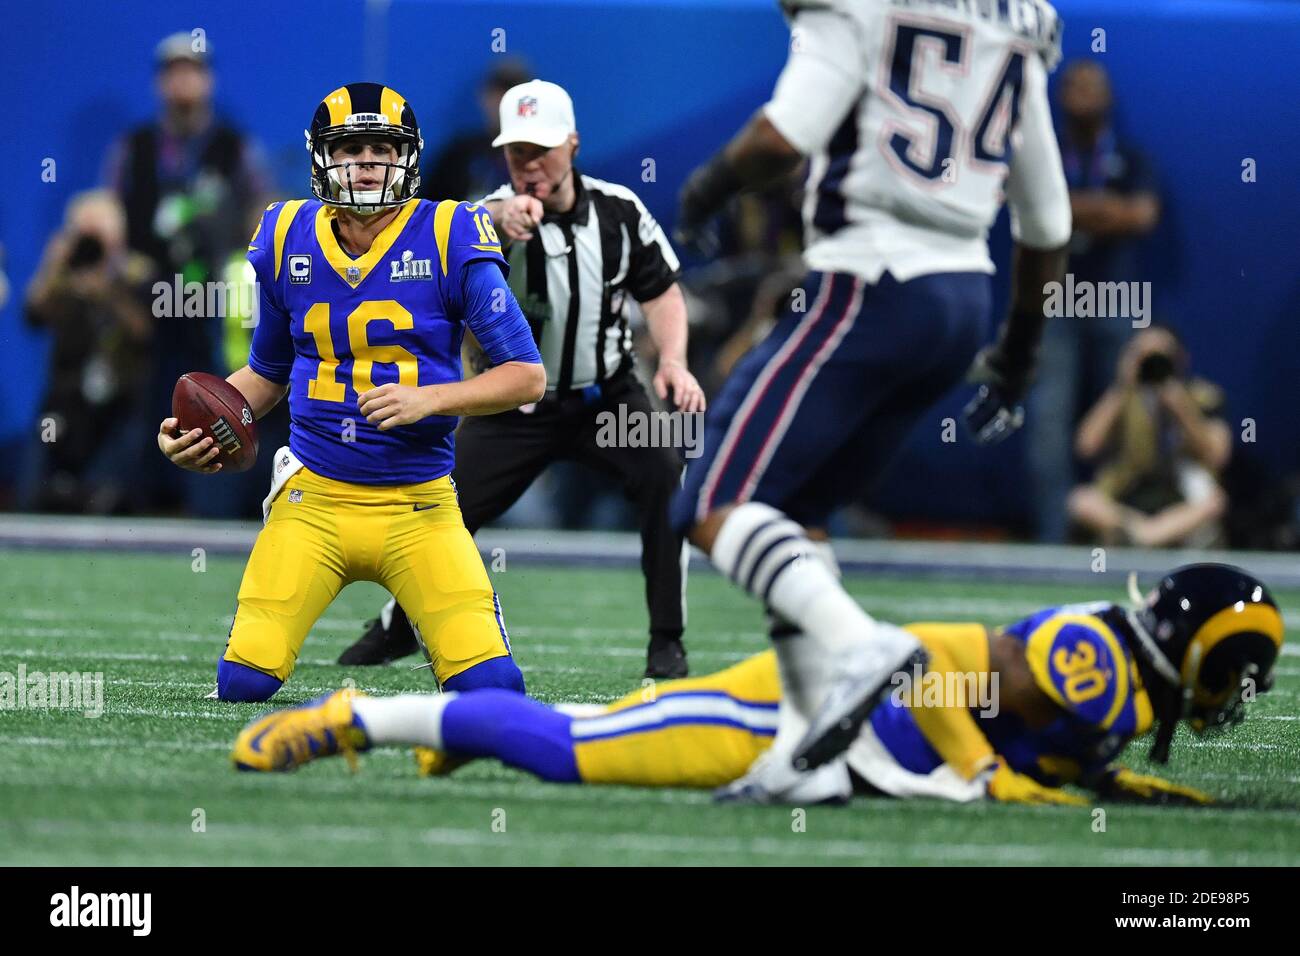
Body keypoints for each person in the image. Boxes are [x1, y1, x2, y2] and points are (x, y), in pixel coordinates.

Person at [667, 0, 1073, 796]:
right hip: (962, 304)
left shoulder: (862, 10)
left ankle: (864, 646)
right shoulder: (1011, 27)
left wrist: (705, 190)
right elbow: (1046, 221)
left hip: (871, 281)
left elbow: (783, 134)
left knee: (713, 501)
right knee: (797, 514)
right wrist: (1018, 354)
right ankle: (808, 752)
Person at [233, 563, 1282, 812]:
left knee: (582, 732)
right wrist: (975, 767)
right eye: (1234, 666)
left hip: (842, 749)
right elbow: (917, 656)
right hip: (802, 717)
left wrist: (1131, 792)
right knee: (572, 749)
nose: (1235, 689)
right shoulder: (1093, 660)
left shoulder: (1126, 687)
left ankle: (470, 729)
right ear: (1185, 641)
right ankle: (353, 717)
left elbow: (1054, 755)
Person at [156, 82, 545, 702]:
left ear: (407, 157)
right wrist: (197, 426)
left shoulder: (451, 233)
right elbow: (266, 374)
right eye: (350, 148)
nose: (366, 161)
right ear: (322, 159)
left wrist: (432, 399)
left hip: (420, 507)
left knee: (492, 688)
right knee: (243, 683)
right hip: (315, 501)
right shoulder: (287, 234)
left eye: (381, 148)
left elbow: (526, 376)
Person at [338, 79, 705, 679]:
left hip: (605, 397)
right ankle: (400, 624)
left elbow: (661, 290)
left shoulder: (618, 212)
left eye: (543, 150)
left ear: (573, 144)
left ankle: (667, 639)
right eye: (518, 153)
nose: (531, 165)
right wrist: (496, 218)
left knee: (667, 474)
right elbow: (451, 232)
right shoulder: (477, 220)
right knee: (440, 507)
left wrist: (672, 361)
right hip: (512, 404)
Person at [107, 33, 272, 513]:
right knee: (147, 398)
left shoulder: (235, 149)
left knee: (215, 396)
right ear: (162, 82)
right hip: (148, 300)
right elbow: (111, 221)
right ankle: (141, 502)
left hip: (215, 304)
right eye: (174, 71)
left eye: (193, 70)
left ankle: (213, 505)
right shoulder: (134, 149)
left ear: (208, 79)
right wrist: (124, 268)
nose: (184, 81)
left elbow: (263, 221)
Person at [1027, 59, 1162, 542]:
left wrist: (1069, 210)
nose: (1082, 95)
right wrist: (1107, 211)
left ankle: (1117, 536)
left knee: (1122, 418)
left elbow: (1141, 217)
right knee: (1048, 422)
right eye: (1072, 86)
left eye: (1092, 87)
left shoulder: (1130, 155)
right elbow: (1024, 206)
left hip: (1117, 299)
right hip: (1056, 300)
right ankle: (1052, 543)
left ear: (1109, 98)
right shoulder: (1043, 153)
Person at [20, 190, 155, 513]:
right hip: (64, 403)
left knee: (103, 501)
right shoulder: (64, 276)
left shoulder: (138, 273)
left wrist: (106, 292)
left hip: (119, 409)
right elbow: (33, 315)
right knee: (31, 496)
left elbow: (144, 332)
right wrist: (54, 266)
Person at [1068, 326, 1230, 547]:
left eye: (1160, 357)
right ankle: (1150, 535)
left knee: (1214, 503)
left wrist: (1180, 407)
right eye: (1143, 355)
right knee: (1081, 501)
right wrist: (1121, 387)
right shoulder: (1121, 397)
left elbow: (1217, 456)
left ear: (1179, 359)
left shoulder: (1203, 396)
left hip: (1181, 497)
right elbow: (1085, 446)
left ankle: (1142, 538)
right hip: (1130, 495)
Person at [417, 59, 532, 204]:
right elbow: (426, 210)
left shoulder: (539, 158)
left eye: (512, 93)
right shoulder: (459, 155)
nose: (503, 101)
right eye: (498, 92)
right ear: (484, 97)